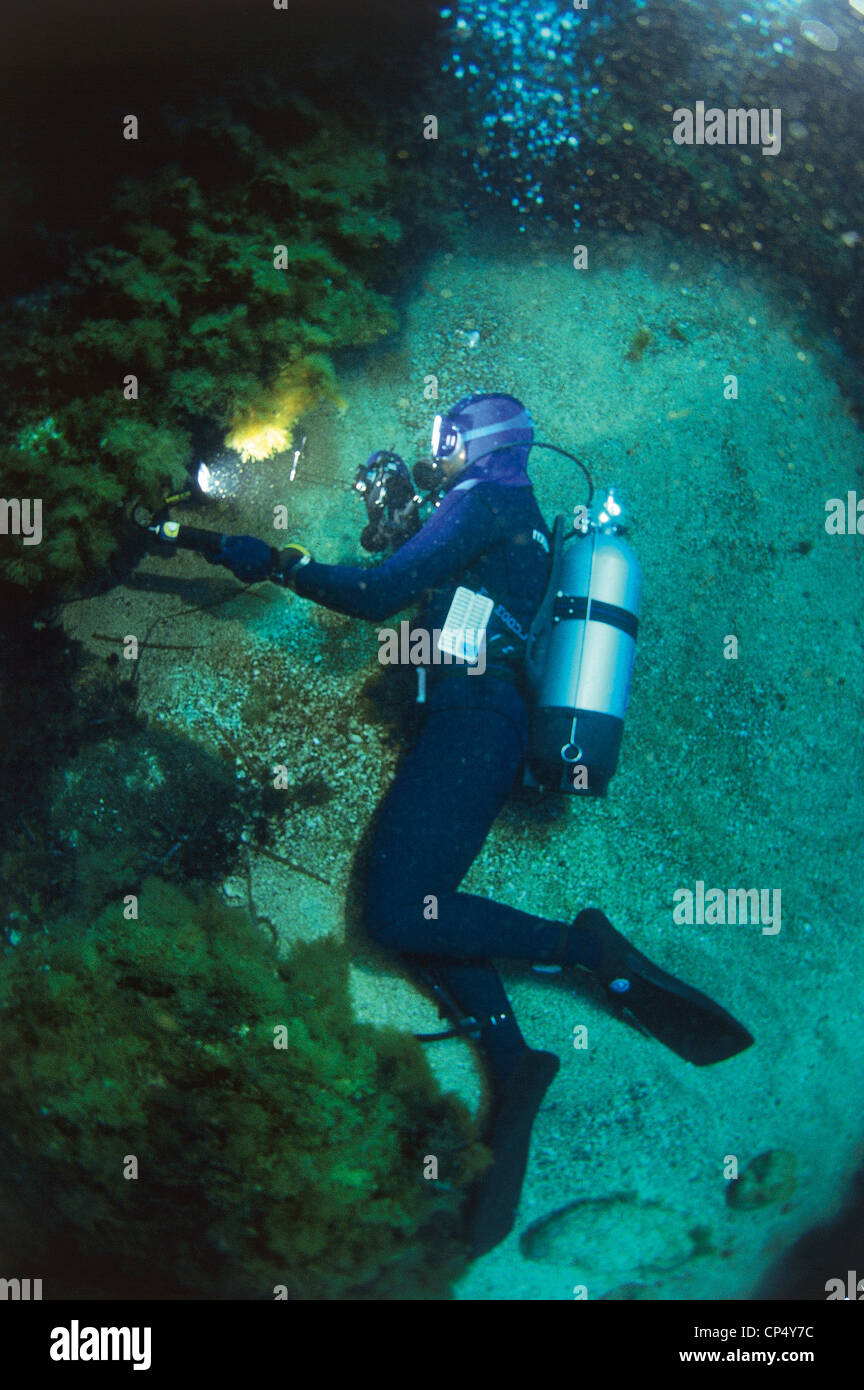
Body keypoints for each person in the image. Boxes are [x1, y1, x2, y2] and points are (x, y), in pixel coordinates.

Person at [170, 392, 753, 1255]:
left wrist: (276, 562)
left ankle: (582, 948)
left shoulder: (485, 500)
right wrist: (395, 525)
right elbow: (426, 582)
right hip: (479, 718)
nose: (432, 446)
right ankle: (513, 1059)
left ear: (479, 442)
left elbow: (375, 595)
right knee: (417, 903)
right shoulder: (500, 515)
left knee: (397, 911)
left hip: (480, 719)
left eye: (444, 435)